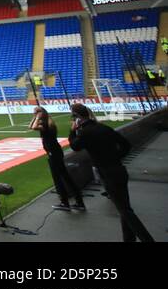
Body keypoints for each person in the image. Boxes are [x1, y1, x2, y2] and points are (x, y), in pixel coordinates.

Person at [68, 103, 152, 242]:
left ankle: (147, 239)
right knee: (124, 208)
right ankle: (129, 239)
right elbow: (126, 145)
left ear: (77, 117)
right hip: (119, 169)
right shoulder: (103, 127)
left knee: (125, 211)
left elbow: (75, 146)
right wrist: (115, 157)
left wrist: (73, 131)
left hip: (107, 173)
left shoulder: (85, 132)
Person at [30, 107, 83, 212]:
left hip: (53, 153)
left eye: (36, 112)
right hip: (55, 152)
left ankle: (65, 202)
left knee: (58, 179)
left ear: (41, 113)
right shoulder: (48, 122)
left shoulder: (45, 124)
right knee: (65, 177)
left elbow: (33, 127)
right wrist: (35, 117)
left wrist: (36, 118)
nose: (35, 114)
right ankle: (78, 201)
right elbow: (30, 126)